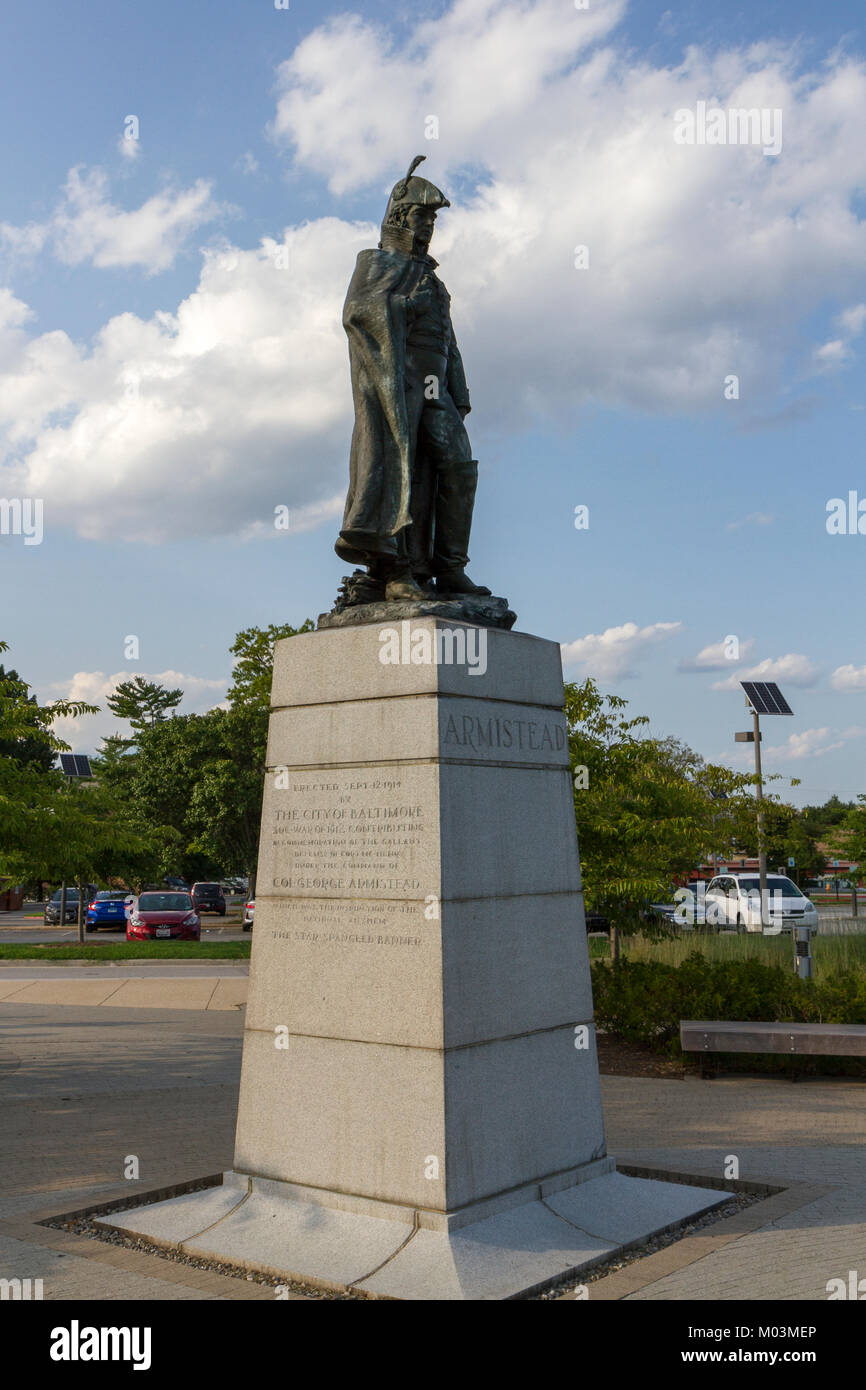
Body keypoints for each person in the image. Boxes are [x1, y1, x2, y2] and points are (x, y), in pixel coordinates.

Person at [336, 156, 491, 601]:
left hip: (434, 385)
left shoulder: (429, 276)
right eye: (422, 215)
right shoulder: (377, 263)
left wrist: (457, 390)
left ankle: (449, 567)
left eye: (432, 219)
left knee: (458, 466)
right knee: (399, 467)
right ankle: (396, 568)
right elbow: (359, 314)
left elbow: (449, 339)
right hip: (399, 384)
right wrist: (403, 306)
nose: (428, 226)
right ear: (400, 216)